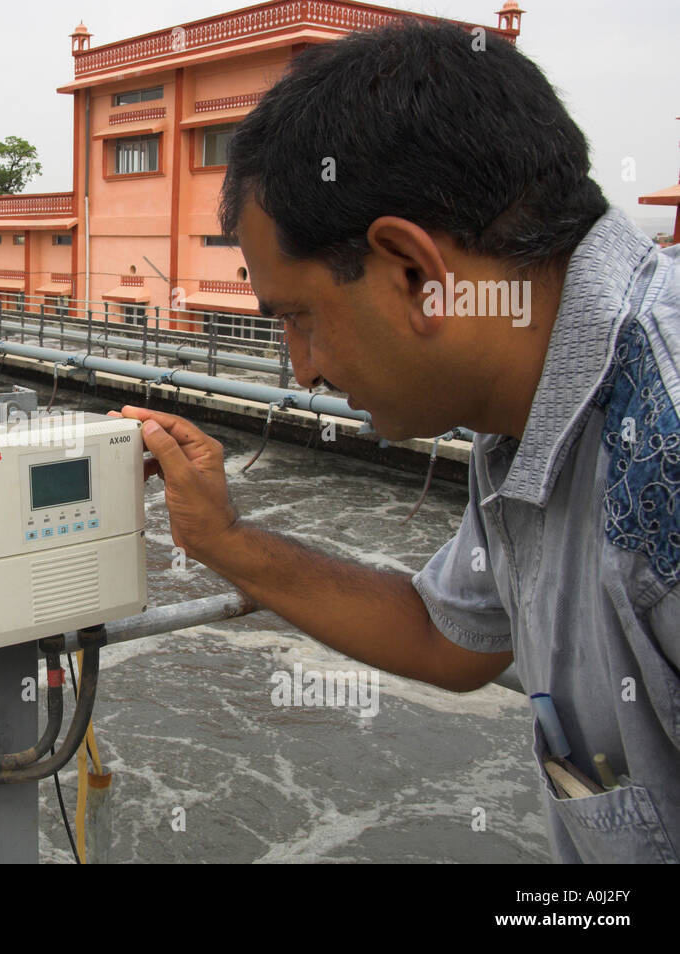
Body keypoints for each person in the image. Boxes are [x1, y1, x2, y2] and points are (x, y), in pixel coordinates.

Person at [121, 20, 679, 863]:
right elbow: (447, 637)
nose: (300, 371)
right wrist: (222, 539)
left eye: (298, 319)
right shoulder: (523, 404)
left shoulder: (661, 451)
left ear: (416, 274)